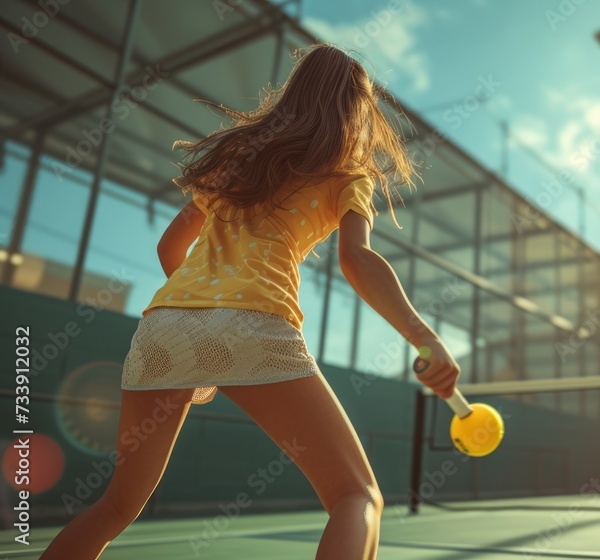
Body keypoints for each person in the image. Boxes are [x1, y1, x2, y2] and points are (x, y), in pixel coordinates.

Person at [39, 43, 460, 560]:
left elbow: (169, 248)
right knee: (357, 497)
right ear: (357, 108)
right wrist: (425, 336)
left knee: (115, 508)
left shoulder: (238, 155)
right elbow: (357, 259)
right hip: (255, 323)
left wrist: (202, 312)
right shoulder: (349, 174)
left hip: (163, 327)